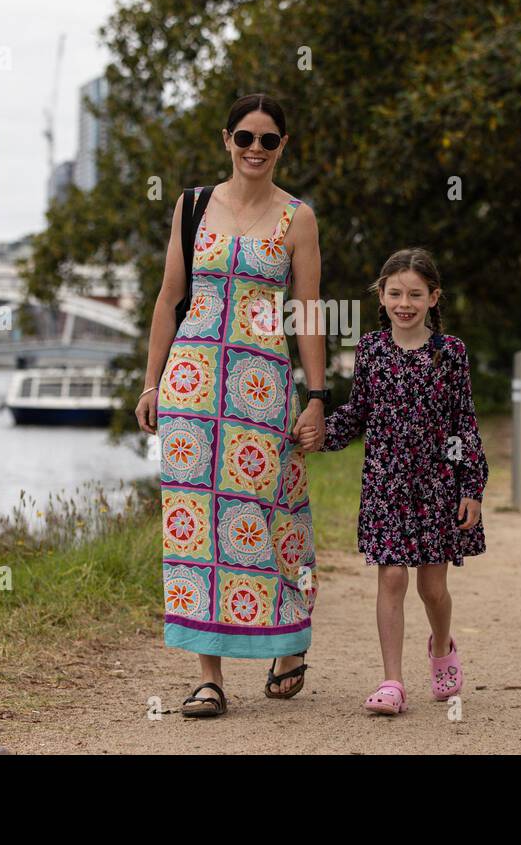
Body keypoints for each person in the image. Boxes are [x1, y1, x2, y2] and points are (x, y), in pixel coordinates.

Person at [135, 93, 328, 718]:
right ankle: (208, 677)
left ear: (282, 146)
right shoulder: (192, 205)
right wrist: (151, 383)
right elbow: (170, 298)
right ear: (227, 140)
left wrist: (317, 397)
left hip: (261, 386)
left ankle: (288, 639)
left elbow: (308, 311)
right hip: (192, 386)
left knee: (271, 512)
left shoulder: (298, 218)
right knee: (195, 522)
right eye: (245, 137)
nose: (255, 149)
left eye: (268, 140)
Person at [310, 247, 487, 714]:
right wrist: (320, 433)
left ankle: (442, 646)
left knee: (432, 588)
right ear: (381, 296)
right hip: (385, 483)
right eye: (395, 294)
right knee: (391, 577)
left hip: (437, 485)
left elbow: (464, 423)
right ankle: (392, 682)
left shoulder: (451, 353)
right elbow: (357, 413)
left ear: (434, 297)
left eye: (415, 294)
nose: (404, 303)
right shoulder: (370, 349)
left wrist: (471, 487)